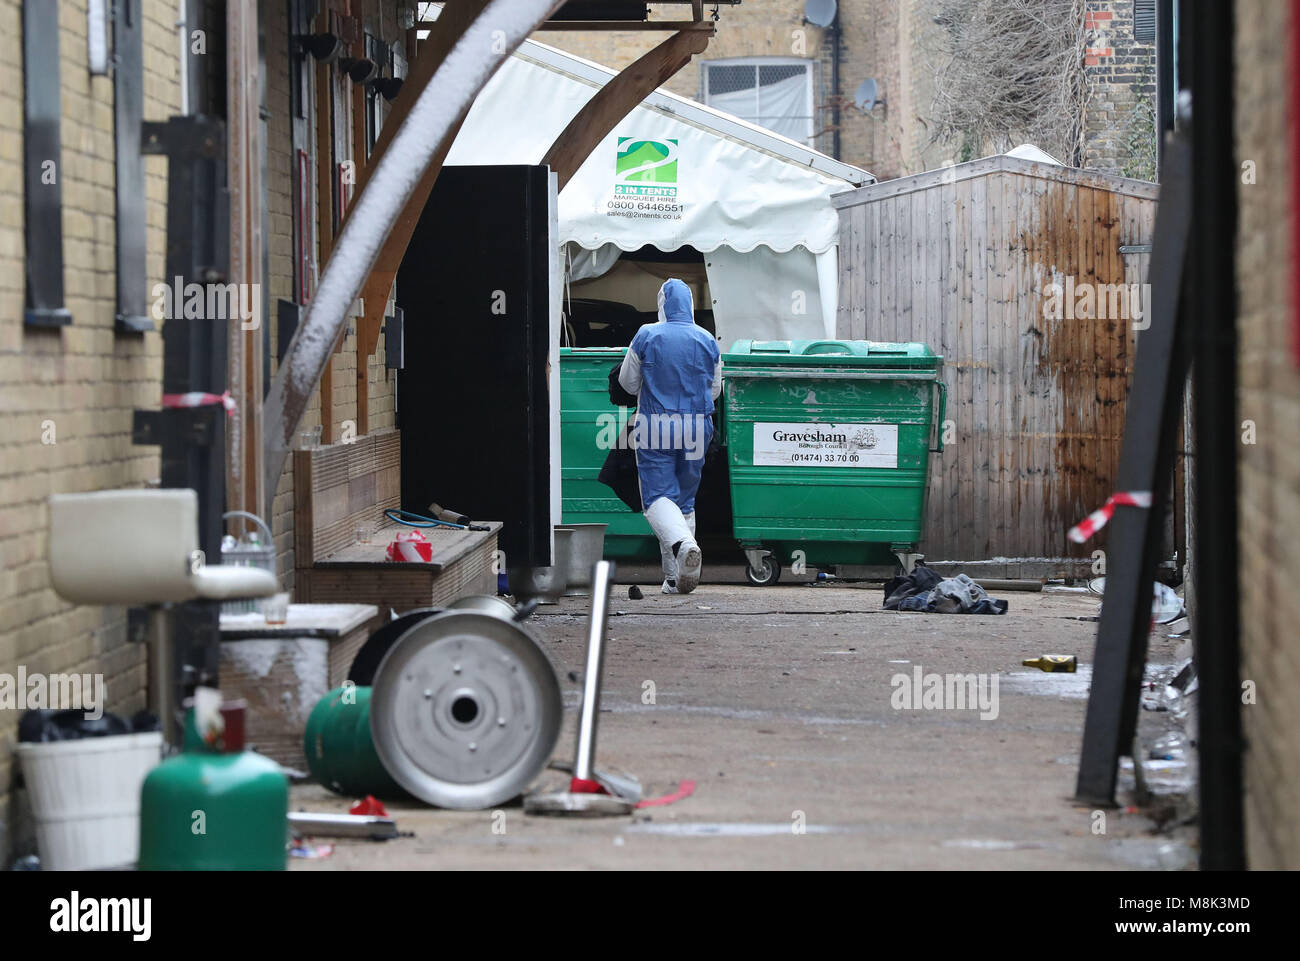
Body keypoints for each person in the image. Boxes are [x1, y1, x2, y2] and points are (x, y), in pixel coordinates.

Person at [618, 278, 722, 594]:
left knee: (657, 500)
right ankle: (674, 578)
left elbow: (627, 383)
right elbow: (715, 390)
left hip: (655, 427)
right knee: (683, 501)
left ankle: (683, 545)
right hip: (697, 428)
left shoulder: (647, 334)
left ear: (663, 303)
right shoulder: (708, 339)